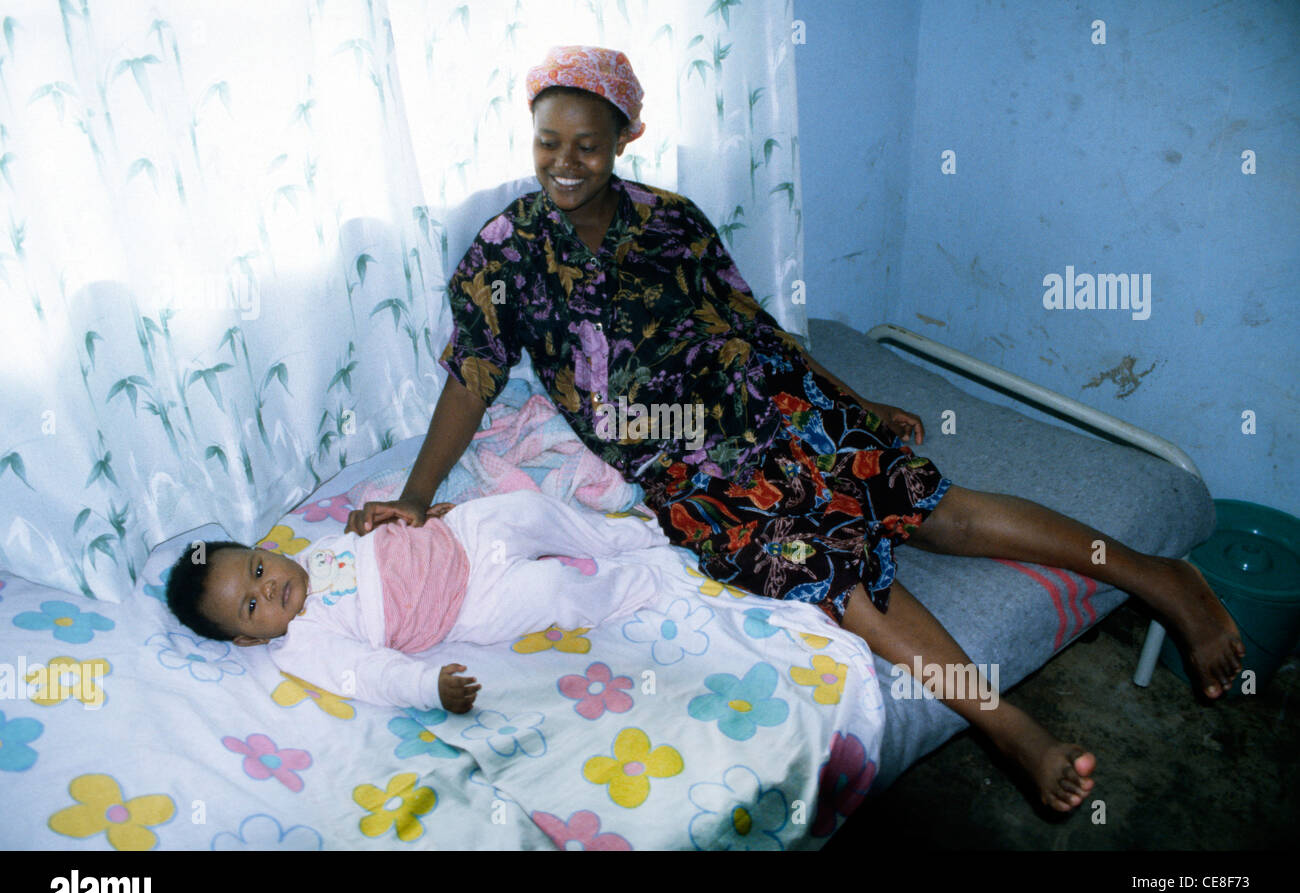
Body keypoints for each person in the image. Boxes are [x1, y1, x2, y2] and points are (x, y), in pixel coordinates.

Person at [344, 45, 1245, 813]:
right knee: (825, 569)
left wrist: (849, 401)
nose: (565, 162)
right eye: (548, 142)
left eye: (588, 143)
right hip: (679, 454)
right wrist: (414, 499)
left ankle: (1153, 572)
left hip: (764, 395)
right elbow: (473, 380)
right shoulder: (504, 251)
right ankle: (1004, 724)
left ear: (627, 139)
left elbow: (755, 324)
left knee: (935, 512)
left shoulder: (672, 222)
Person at [165, 489, 670, 712]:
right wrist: (428, 686)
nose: (269, 587)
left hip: (463, 537)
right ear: (248, 640)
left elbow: (382, 534)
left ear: (266, 550)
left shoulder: (315, 551)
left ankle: (620, 537)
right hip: (468, 603)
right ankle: (645, 586)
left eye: (258, 570)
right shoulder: (303, 642)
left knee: (529, 510)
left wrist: (422, 515)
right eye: (252, 606)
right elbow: (368, 674)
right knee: (554, 591)